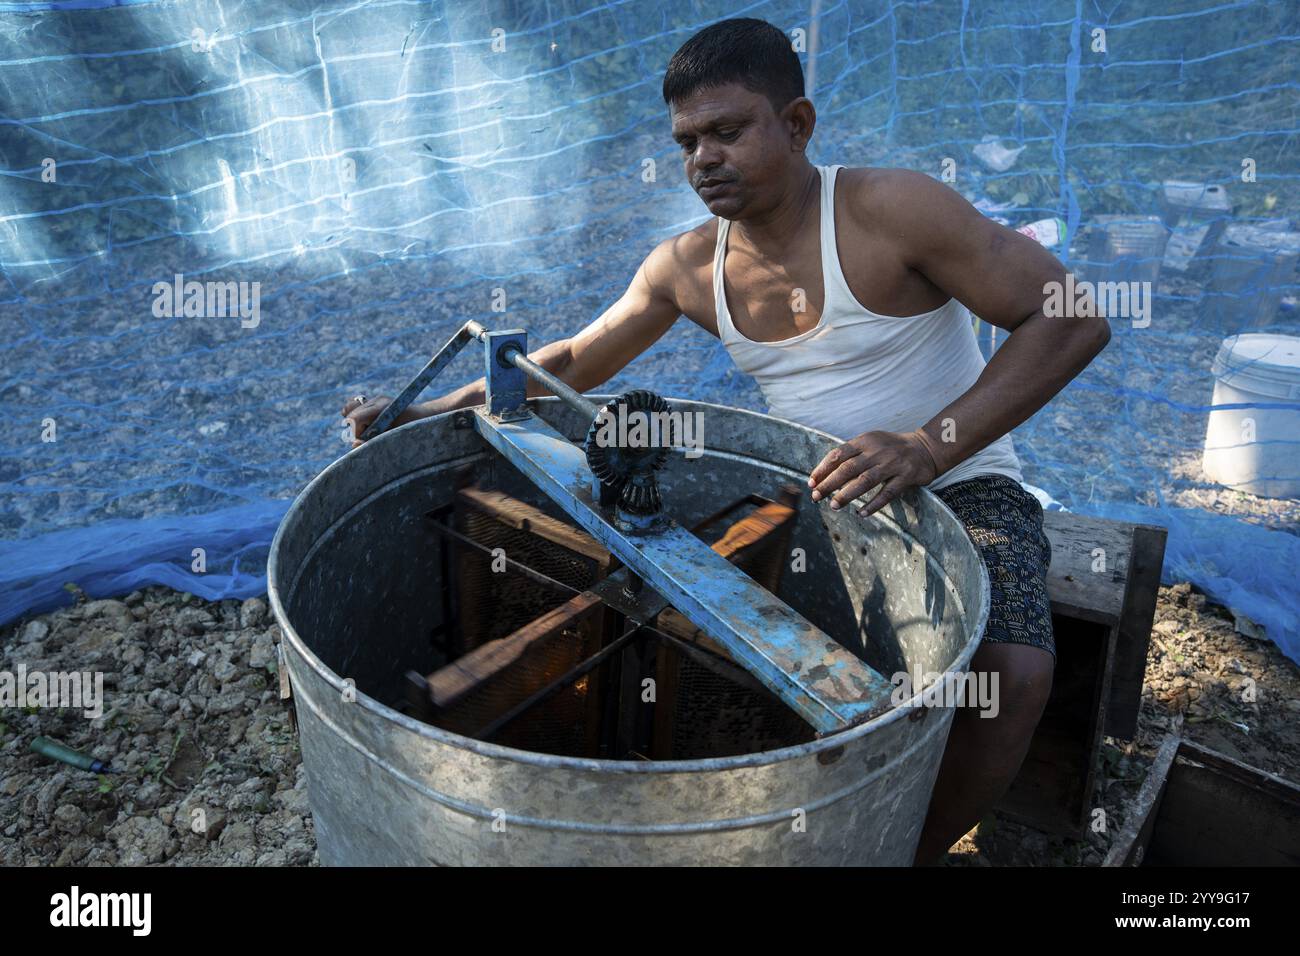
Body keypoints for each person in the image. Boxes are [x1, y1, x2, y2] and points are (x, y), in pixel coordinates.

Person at [343, 17, 1109, 864]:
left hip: (958, 483)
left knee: (1012, 675)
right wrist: (418, 411)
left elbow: (1072, 318)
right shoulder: (687, 266)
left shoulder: (889, 209)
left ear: (798, 124)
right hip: (815, 494)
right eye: (686, 142)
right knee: (704, 646)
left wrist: (930, 445)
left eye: (727, 131)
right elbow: (565, 361)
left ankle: (905, 851)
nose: (703, 158)